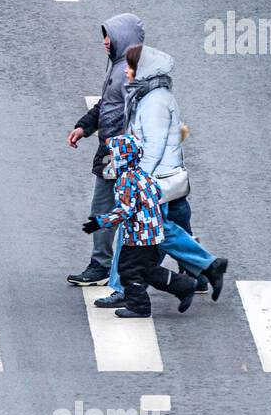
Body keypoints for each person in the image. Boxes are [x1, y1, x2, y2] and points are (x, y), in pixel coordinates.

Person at [94, 44, 229, 307]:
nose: (127, 73)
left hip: (157, 176)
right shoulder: (150, 94)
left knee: (139, 228)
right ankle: (208, 266)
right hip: (160, 176)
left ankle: (124, 288)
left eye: (131, 68)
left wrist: (135, 178)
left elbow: (153, 146)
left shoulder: (154, 100)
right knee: (159, 229)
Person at [67, 14, 144, 287]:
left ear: (123, 38)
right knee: (139, 213)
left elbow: (129, 115)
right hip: (114, 152)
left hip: (121, 155)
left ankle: (196, 265)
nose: (105, 41)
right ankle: (197, 266)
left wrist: (117, 149)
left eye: (109, 36)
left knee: (124, 212)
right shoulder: (119, 66)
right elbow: (106, 106)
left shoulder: (129, 72)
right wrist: (84, 127)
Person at [84, 135, 196, 318]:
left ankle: (139, 306)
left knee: (128, 270)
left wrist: (101, 222)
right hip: (153, 233)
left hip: (137, 236)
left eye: (113, 156)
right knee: (147, 270)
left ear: (121, 158)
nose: (111, 160)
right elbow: (157, 194)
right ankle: (183, 286)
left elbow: (125, 210)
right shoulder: (143, 176)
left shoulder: (125, 181)